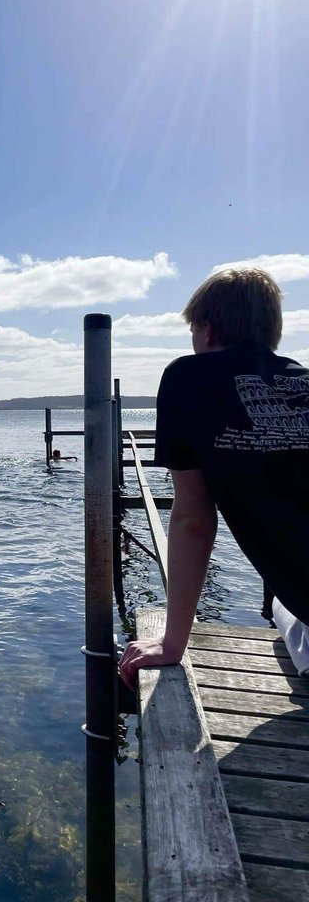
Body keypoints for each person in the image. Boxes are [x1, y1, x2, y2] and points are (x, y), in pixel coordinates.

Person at [119, 266, 309, 688]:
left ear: (207, 330)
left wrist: (172, 643)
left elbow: (193, 518)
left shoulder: (190, 377)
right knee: (282, 606)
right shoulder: (303, 380)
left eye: (193, 329)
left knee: (285, 609)